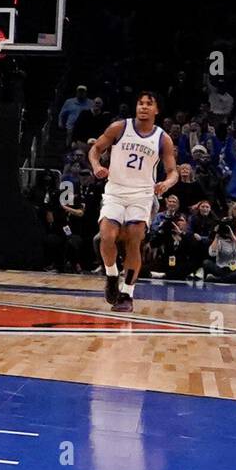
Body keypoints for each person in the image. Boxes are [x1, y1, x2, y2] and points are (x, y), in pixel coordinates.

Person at [90, 91, 177, 313]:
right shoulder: (119, 128)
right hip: (116, 191)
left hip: (142, 194)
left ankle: (127, 293)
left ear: (156, 110)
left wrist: (166, 184)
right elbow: (95, 149)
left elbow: (173, 171)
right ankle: (111, 275)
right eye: (140, 103)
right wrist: (96, 166)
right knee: (107, 236)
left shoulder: (162, 138)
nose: (144, 107)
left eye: (149, 104)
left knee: (135, 238)